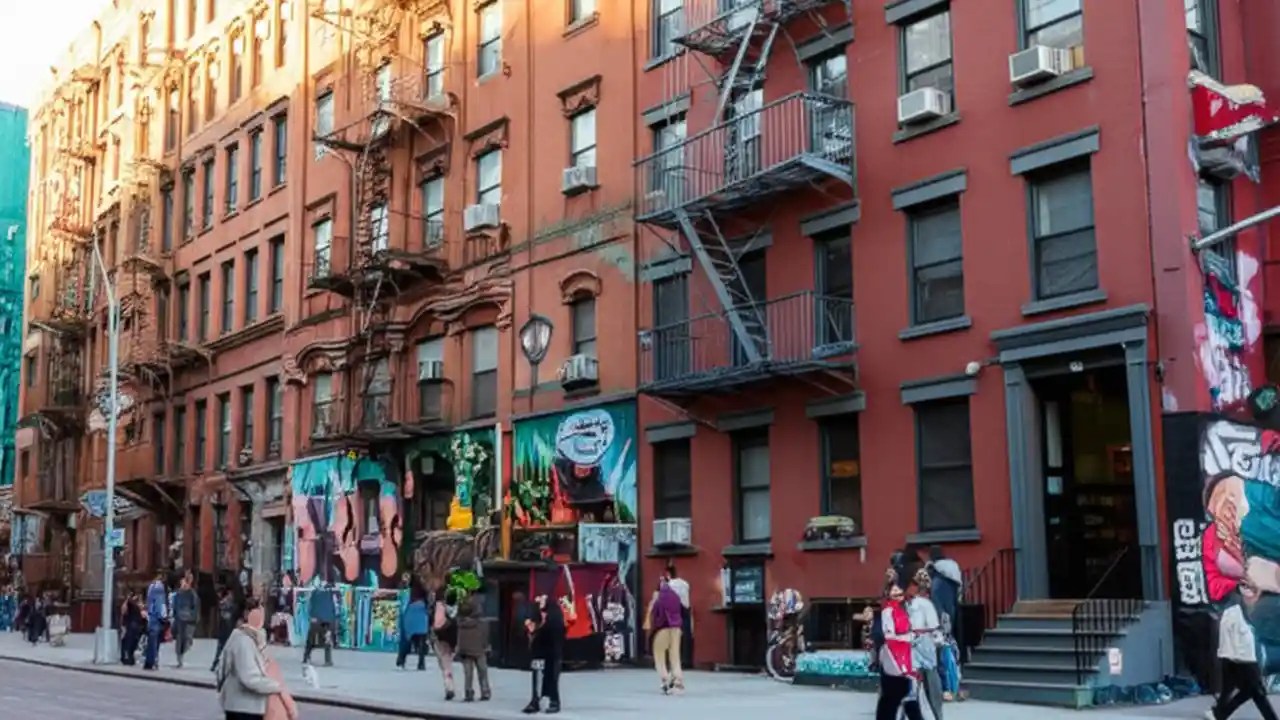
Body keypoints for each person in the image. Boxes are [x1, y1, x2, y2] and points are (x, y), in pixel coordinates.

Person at [217, 597, 299, 720]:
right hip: (243, 707)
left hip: (249, 706)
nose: (260, 617)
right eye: (256, 613)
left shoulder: (255, 638)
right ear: (246, 615)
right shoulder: (243, 640)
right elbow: (249, 678)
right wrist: (276, 687)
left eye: (262, 613)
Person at [1208, 596, 1280, 720]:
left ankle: (1220, 713)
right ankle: (1220, 713)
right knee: (1255, 691)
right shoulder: (1234, 613)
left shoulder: (1241, 611)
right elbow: (1237, 640)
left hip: (1236, 656)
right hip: (1241, 657)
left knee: (1247, 690)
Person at [876, 581, 925, 720]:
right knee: (895, 695)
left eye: (899, 590)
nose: (897, 593)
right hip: (894, 655)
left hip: (906, 653)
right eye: (894, 590)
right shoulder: (888, 611)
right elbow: (889, 635)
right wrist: (909, 637)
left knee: (906, 695)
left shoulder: (905, 610)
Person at [906, 568, 944, 720]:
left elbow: (933, 626)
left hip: (919, 641)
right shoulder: (921, 604)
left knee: (920, 681)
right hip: (920, 640)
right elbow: (934, 626)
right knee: (924, 681)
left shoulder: (919, 604)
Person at [524, 593, 564, 714]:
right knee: (537, 678)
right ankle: (535, 701)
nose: (540, 601)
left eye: (543, 599)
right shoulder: (537, 614)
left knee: (551, 678)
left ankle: (554, 702)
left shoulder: (555, 615)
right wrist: (531, 628)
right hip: (538, 652)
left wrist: (540, 627)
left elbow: (556, 633)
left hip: (552, 653)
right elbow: (531, 629)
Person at [649, 578, 685, 694]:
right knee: (675, 656)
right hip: (676, 628)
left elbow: (656, 615)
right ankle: (678, 680)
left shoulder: (659, 600)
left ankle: (666, 679)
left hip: (662, 629)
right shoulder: (676, 597)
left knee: (659, 655)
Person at [456, 592, 492, 702]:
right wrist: (487, 647)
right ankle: (485, 691)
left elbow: (459, 638)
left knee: (468, 673)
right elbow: (485, 635)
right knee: (482, 671)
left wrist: (459, 649)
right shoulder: (480, 622)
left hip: (465, 651)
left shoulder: (460, 623)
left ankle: (468, 692)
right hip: (479, 649)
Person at [432, 588, 460, 700]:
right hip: (455, 639)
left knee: (445, 666)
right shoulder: (459, 608)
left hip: (442, 639)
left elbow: (436, 624)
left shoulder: (440, 607)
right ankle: (469, 689)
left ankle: (449, 688)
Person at [665, 565, 692, 667]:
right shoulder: (685, 583)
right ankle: (686, 660)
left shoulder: (669, 585)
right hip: (685, 609)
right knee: (686, 635)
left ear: (668, 574)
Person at [303, 582, 335, 667]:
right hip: (327, 619)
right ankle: (328, 660)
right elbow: (333, 609)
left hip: (316, 618)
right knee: (326, 640)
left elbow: (311, 606)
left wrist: (311, 615)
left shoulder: (315, 593)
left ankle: (306, 657)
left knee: (311, 639)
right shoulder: (330, 594)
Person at [396, 589, 429, 671]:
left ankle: (402, 657)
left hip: (411, 608)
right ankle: (421, 662)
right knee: (422, 637)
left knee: (407, 636)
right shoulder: (426, 583)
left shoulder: (409, 587)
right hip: (422, 608)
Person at [173, 573, 200, 668]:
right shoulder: (178, 594)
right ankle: (179, 658)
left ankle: (182, 653)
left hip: (189, 620)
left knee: (187, 639)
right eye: (181, 583)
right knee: (180, 639)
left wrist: (193, 617)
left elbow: (195, 607)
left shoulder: (192, 594)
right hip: (180, 620)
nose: (183, 585)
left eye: (184, 583)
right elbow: (175, 607)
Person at [144, 572, 168, 670]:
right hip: (156, 618)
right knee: (155, 641)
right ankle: (152, 661)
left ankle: (149, 661)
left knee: (151, 640)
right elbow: (160, 604)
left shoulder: (151, 587)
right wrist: (164, 616)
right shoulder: (159, 588)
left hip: (151, 616)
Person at [213, 587, 239, 672]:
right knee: (221, 648)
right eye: (229, 594)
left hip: (228, 630)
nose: (230, 596)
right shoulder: (225, 604)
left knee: (225, 649)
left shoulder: (232, 605)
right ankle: (216, 664)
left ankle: (221, 665)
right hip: (224, 630)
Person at [120, 592, 146, 666]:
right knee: (131, 643)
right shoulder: (133, 604)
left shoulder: (130, 604)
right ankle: (129, 658)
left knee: (127, 643)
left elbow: (123, 612)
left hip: (131, 626)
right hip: (135, 626)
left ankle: (127, 658)